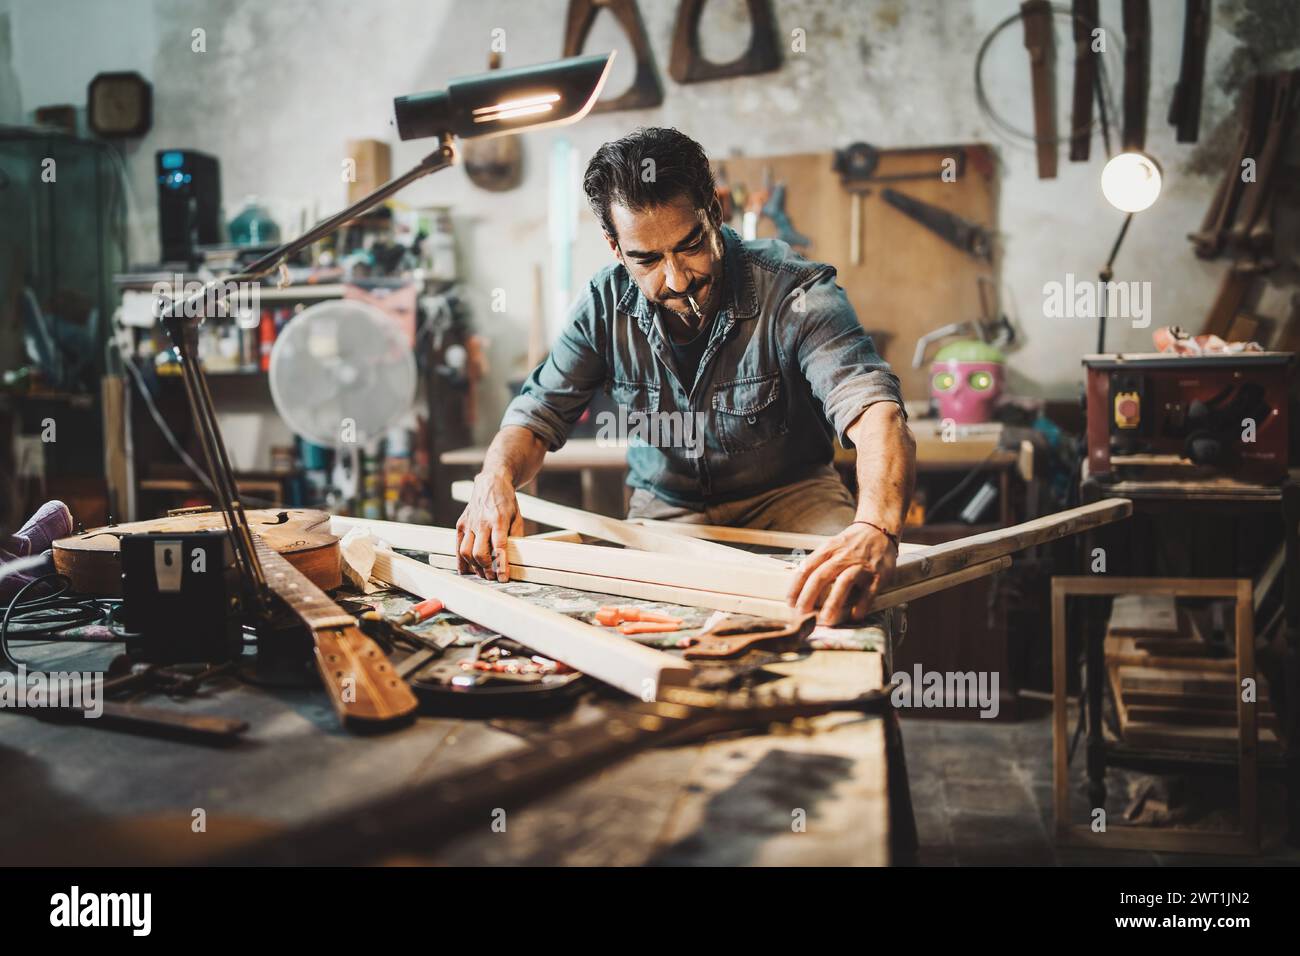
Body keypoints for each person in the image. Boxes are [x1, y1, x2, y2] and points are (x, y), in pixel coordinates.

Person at [458, 128, 915, 624]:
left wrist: (877, 526)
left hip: (791, 497)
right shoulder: (602, 307)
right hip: (666, 511)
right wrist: (494, 476)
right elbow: (536, 415)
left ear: (714, 213)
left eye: (690, 245)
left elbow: (875, 412)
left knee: (848, 603)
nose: (676, 279)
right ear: (615, 247)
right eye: (647, 259)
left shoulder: (796, 294)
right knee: (639, 630)